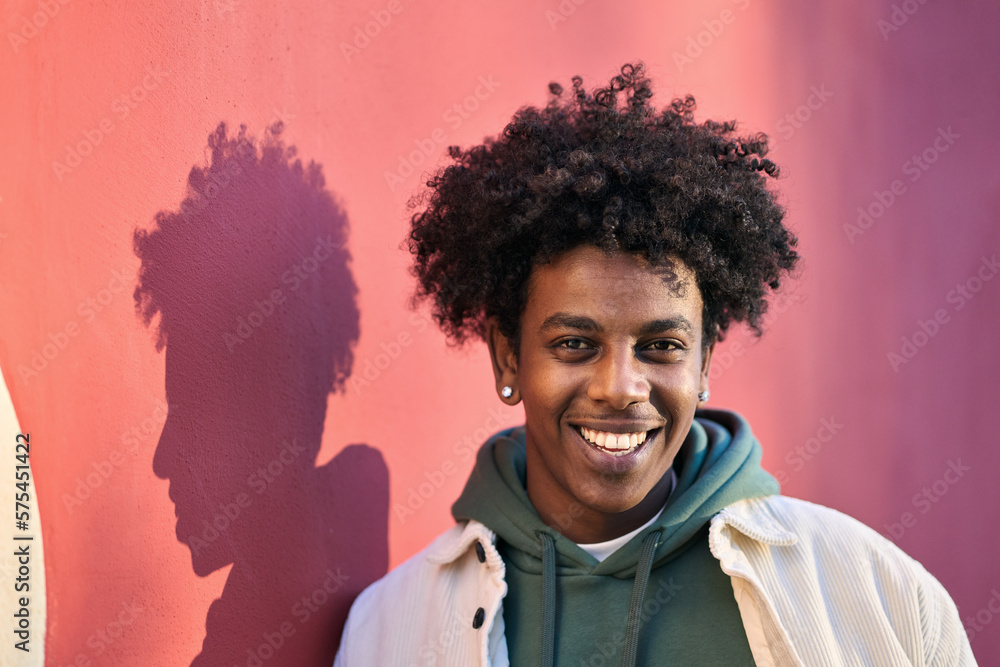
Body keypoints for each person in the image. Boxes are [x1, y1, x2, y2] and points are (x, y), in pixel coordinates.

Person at [334, 63, 975, 666]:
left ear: (703, 363)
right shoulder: (391, 627)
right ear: (508, 355)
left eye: (661, 346)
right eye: (574, 344)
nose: (620, 388)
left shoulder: (875, 592)